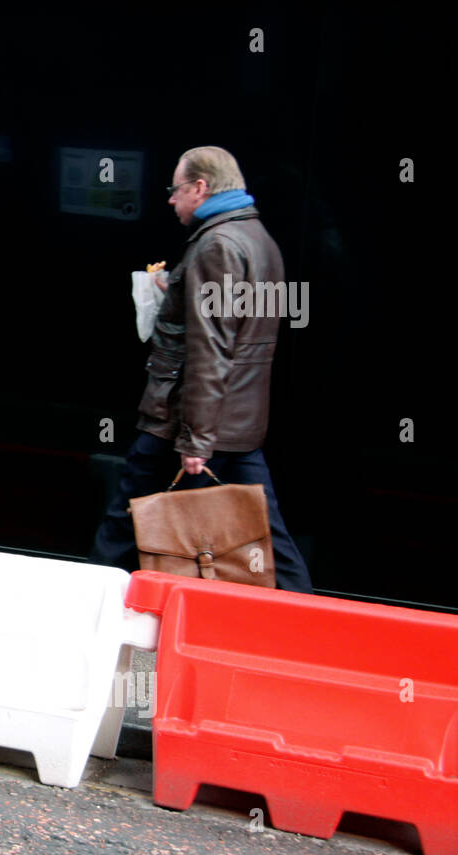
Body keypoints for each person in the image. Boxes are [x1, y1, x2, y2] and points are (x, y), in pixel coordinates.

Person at [90, 145, 312, 592]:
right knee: (267, 534)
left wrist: (197, 440)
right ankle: (309, 619)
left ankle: (88, 607)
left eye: (175, 189)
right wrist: (174, 289)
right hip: (239, 422)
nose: (170, 199)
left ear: (200, 187)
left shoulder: (217, 244)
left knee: (123, 520)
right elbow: (239, 328)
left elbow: (210, 346)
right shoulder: (258, 239)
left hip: (183, 422)